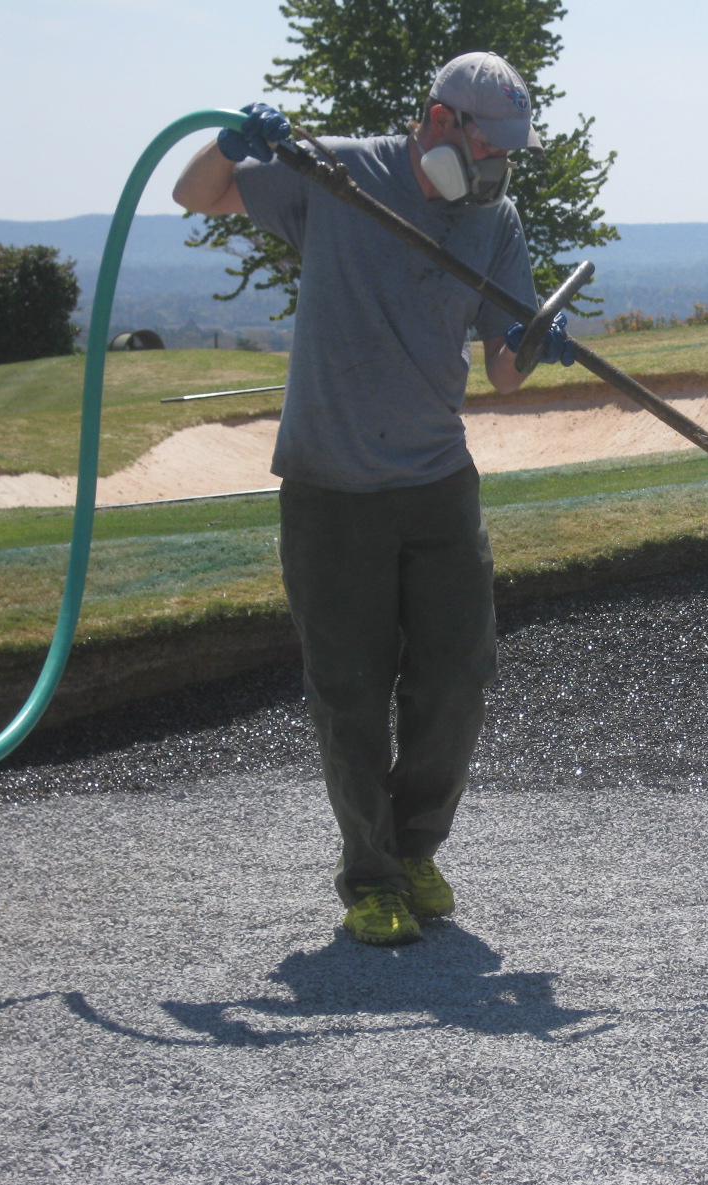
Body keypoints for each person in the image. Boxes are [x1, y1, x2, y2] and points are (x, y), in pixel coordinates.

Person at [173, 51, 574, 946]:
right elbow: (196, 195)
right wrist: (231, 140)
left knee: (459, 676)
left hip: (437, 483)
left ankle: (416, 846)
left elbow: (504, 374)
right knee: (350, 690)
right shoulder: (335, 171)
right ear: (438, 123)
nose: (499, 167)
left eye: (511, 152)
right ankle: (370, 875)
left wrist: (538, 337)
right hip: (332, 487)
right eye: (489, 146)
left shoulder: (494, 219)